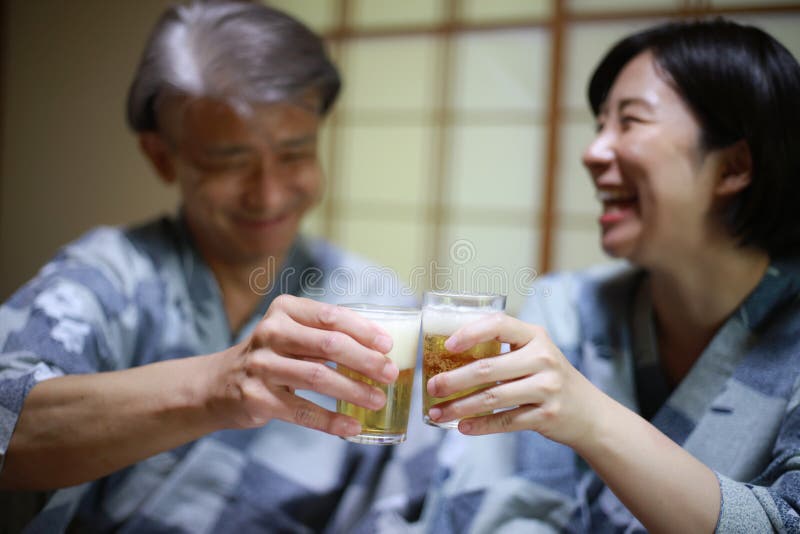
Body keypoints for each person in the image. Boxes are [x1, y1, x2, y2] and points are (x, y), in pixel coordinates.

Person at [0, 2, 440, 532]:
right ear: (162, 157)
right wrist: (215, 388)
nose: (269, 193)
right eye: (230, 161)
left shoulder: (377, 303)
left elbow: (411, 504)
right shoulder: (108, 278)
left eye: (296, 153)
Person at [415, 18, 800, 533]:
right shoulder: (566, 307)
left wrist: (591, 418)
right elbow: (513, 510)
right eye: (600, 125)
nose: (592, 152)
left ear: (732, 167)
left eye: (630, 121)